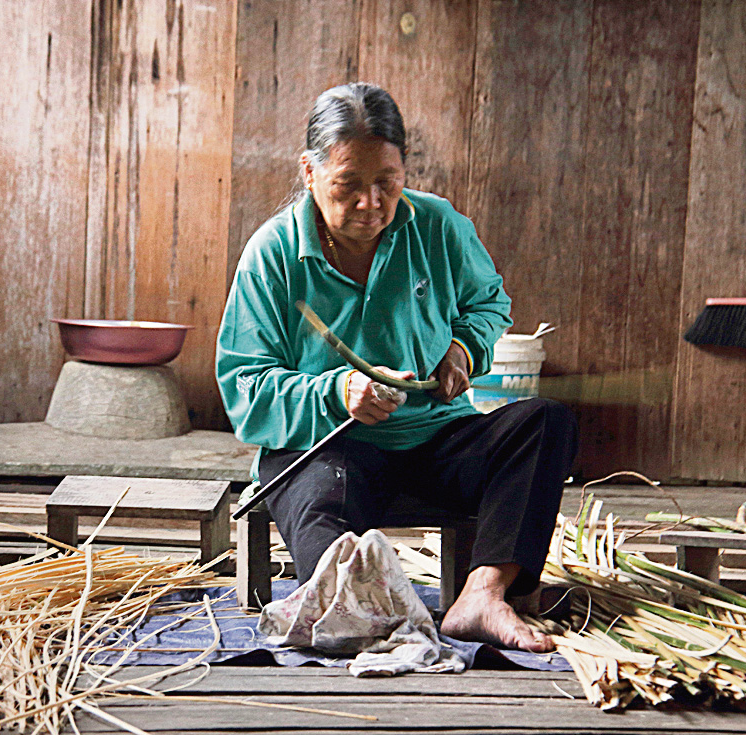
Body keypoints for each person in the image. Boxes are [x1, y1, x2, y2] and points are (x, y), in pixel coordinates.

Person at [216, 82, 578, 653]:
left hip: (437, 437)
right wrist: (338, 393)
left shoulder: (437, 225)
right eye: (348, 186)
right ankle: (366, 608)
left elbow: (489, 303)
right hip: (330, 447)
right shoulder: (273, 255)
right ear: (309, 173)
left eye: (387, 182)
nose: (371, 204)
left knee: (543, 423)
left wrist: (463, 348)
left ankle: (482, 596)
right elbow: (244, 390)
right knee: (317, 502)